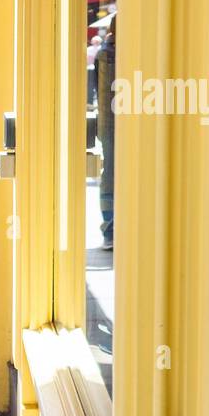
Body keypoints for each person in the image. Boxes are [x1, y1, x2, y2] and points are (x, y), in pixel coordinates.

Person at [94, 15, 116, 251]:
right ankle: (111, 228)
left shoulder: (103, 53)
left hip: (107, 123)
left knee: (109, 174)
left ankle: (109, 228)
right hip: (118, 121)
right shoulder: (115, 55)